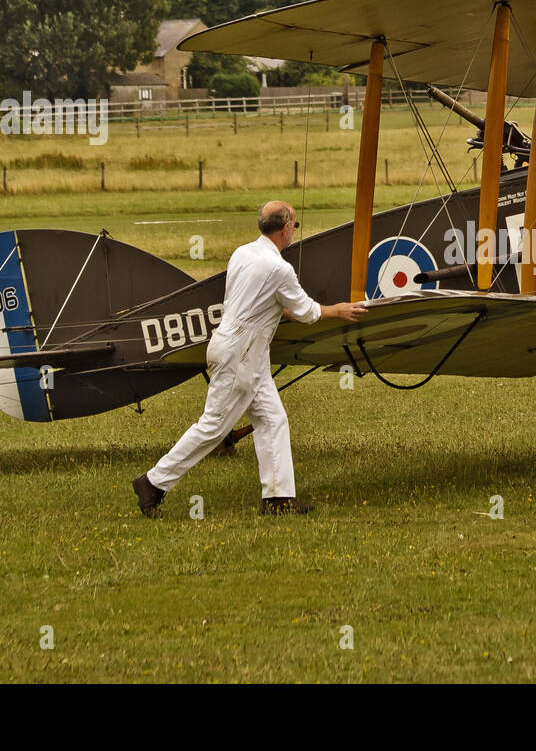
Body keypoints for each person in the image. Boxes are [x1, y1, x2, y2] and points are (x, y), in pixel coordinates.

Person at [133, 201, 367, 517]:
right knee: (214, 426)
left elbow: (265, 304)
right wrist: (338, 310)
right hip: (240, 354)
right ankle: (153, 483)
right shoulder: (279, 268)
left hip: (240, 350)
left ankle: (278, 499)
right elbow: (306, 312)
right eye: (294, 226)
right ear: (285, 229)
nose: (294, 232)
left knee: (272, 420)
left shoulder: (243, 253)